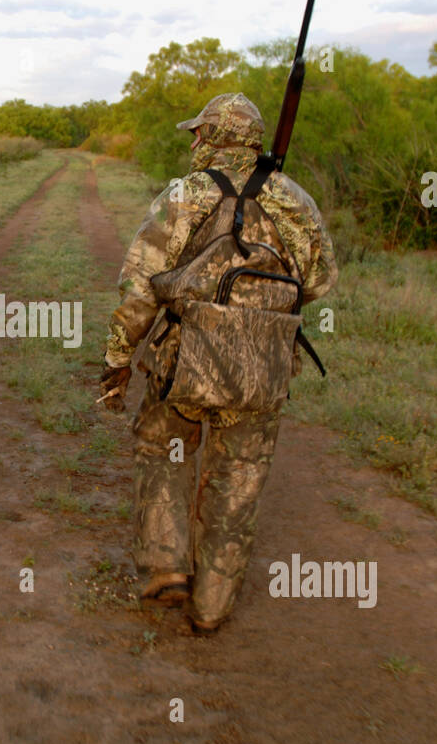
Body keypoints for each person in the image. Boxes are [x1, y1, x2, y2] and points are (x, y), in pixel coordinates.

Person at [99, 92, 337, 633]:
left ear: (209, 138)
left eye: (197, 134)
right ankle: (211, 605)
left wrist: (117, 357)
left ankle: (165, 566)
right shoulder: (293, 199)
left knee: (162, 446)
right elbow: (320, 281)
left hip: (185, 361)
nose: (193, 142)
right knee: (239, 479)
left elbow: (138, 289)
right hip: (262, 368)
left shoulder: (183, 196)